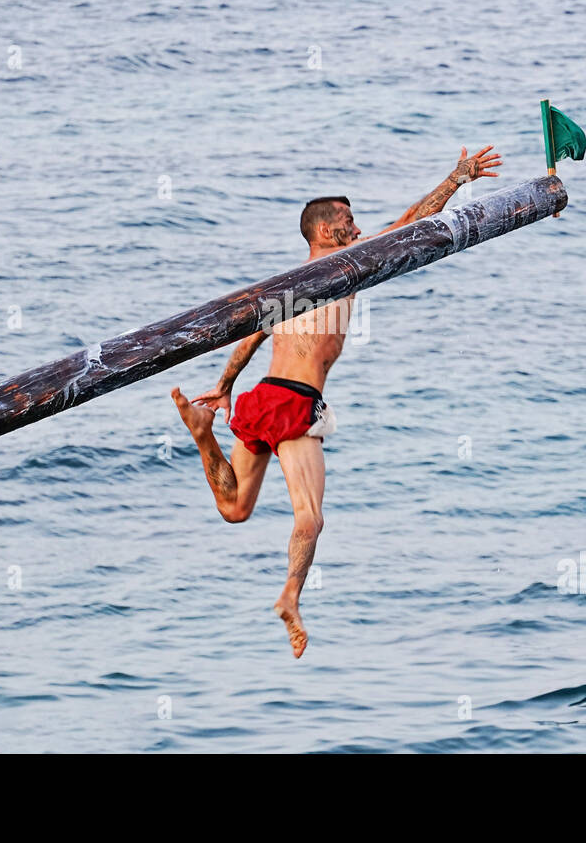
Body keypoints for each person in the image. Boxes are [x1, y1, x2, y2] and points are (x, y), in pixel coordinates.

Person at [171, 146, 502, 657]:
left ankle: (202, 434)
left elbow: (255, 334)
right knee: (311, 519)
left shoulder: (289, 285)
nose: (357, 226)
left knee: (235, 509)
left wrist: (225, 385)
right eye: (349, 220)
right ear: (327, 232)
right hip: (295, 402)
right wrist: (458, 178)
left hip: (259, 397)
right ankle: (290, 598)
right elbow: (412, 223)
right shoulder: (350, 262)